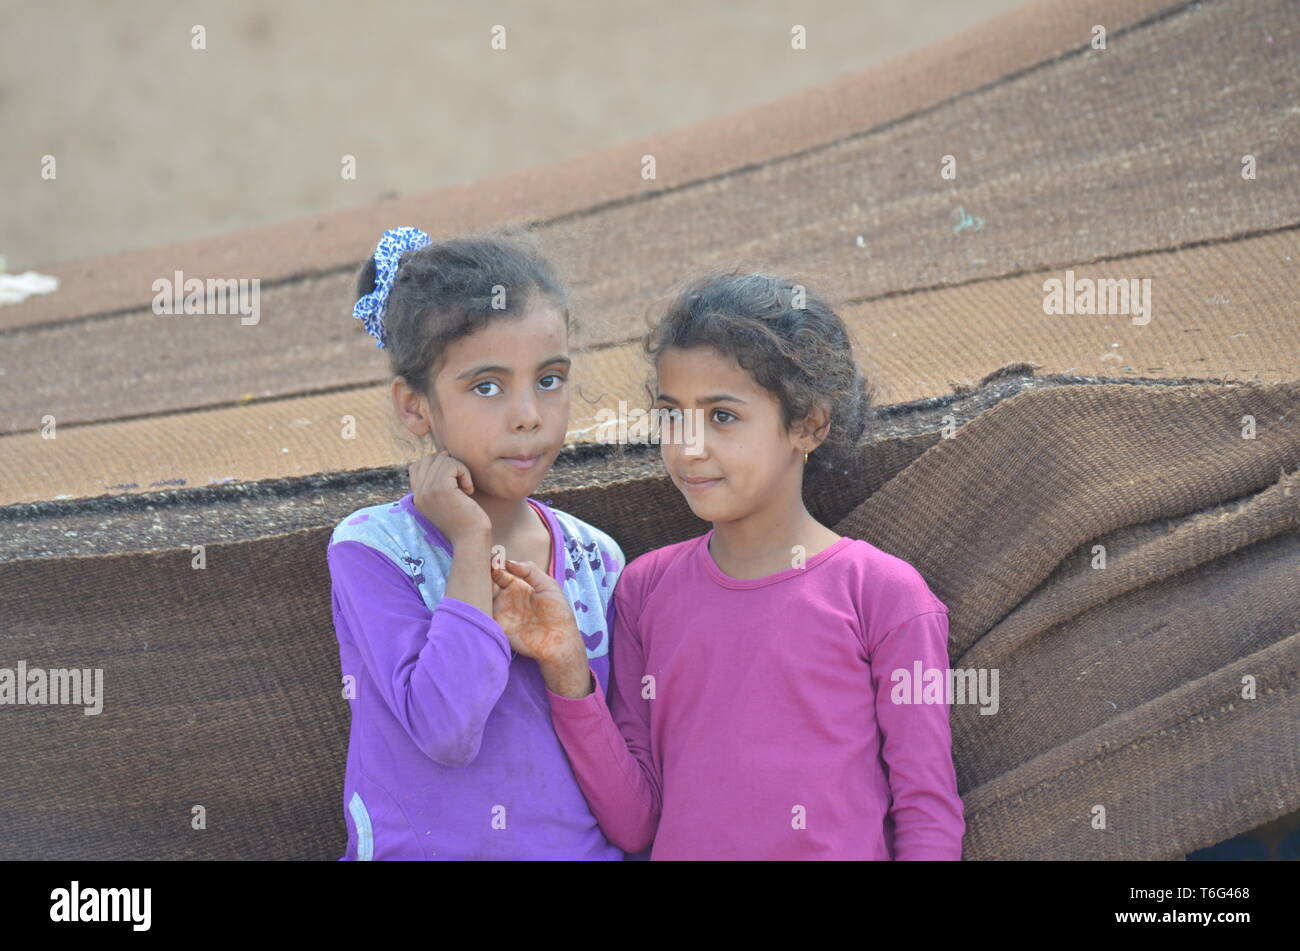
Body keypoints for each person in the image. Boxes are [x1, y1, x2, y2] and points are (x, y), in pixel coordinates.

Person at [493, 271, 966, 859]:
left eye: (722, 416)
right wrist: (568, 673)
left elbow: (927, 808)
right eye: (671, 416)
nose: (689, 447)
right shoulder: (645, 591)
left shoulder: (882, 594)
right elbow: (636, 823)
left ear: (809, 424)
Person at [328, 226, 625, 860]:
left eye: (550, 379)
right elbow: (445, 727)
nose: (528, 414)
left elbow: (619, 779)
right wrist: (469, 541)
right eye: (487, 386)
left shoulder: (595, 558)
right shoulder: (372, 550)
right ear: (416, 407)